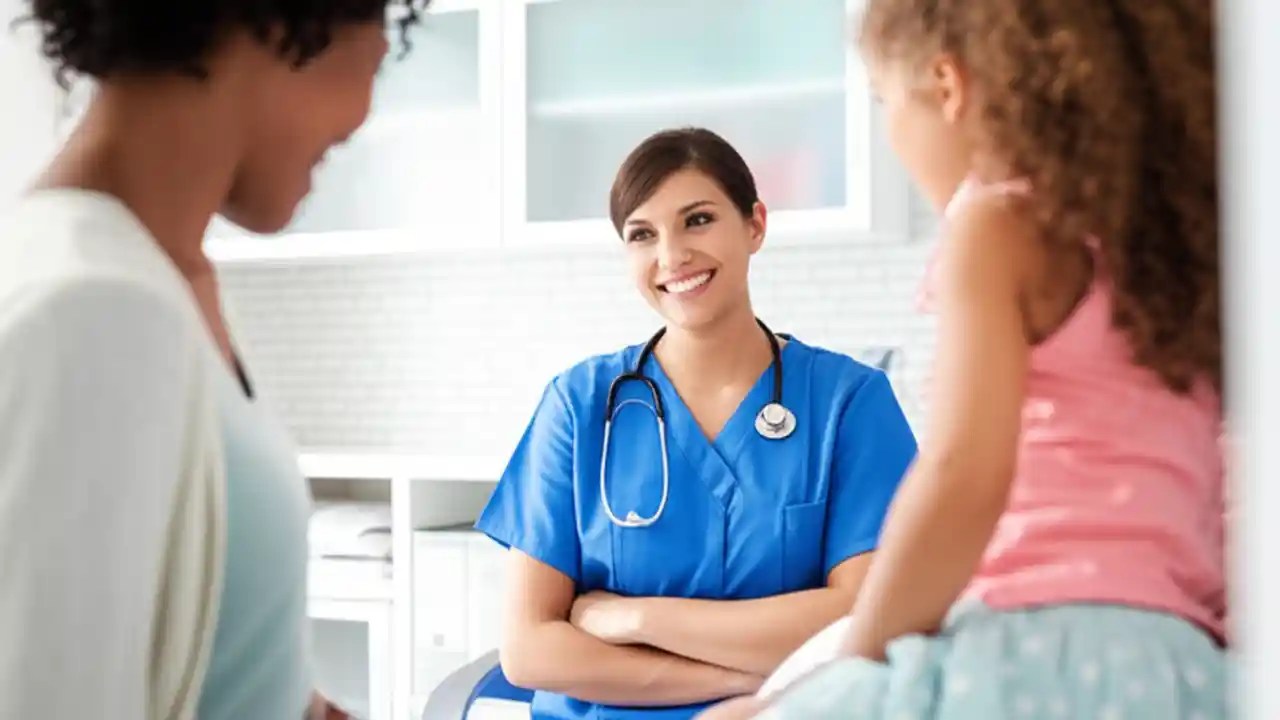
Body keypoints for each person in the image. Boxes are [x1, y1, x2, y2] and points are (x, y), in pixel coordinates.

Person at [703, 1, 1225, 719]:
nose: (891, 132)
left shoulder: (997, 226)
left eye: (888, 102)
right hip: (1177, 663)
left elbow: (961, 477)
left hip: (1031, 648)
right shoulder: (1178, 263)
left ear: (946, 87)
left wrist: (854, 664)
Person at [0, 1, 430, 718]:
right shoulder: (89, 309)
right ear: (283, 19)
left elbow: (195, 651)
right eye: (381, 40)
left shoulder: (159, 278)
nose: (362, 115)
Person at [474, 126, 918, 720]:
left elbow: (869, 613)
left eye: (698, 220)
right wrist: (742, 678)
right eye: (642, 234)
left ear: (755, 224)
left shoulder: (849, 402)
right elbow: (529, 651)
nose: (672, 256)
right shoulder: (579, 405)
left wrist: (634, 617)